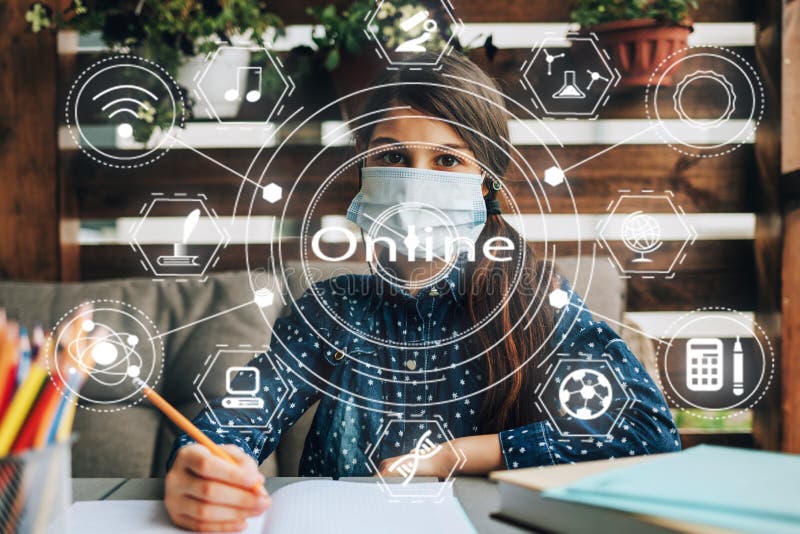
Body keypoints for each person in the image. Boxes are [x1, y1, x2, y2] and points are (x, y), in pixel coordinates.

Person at [165, 52, 680, 532]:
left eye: (448, 161)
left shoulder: (536, 301)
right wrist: (204, 466)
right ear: (362, 173)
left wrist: (457, 454)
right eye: (392, 155)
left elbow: (647, 431)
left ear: (485, 181)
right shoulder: (330, 310)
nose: (414, 180)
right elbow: (240, 417)